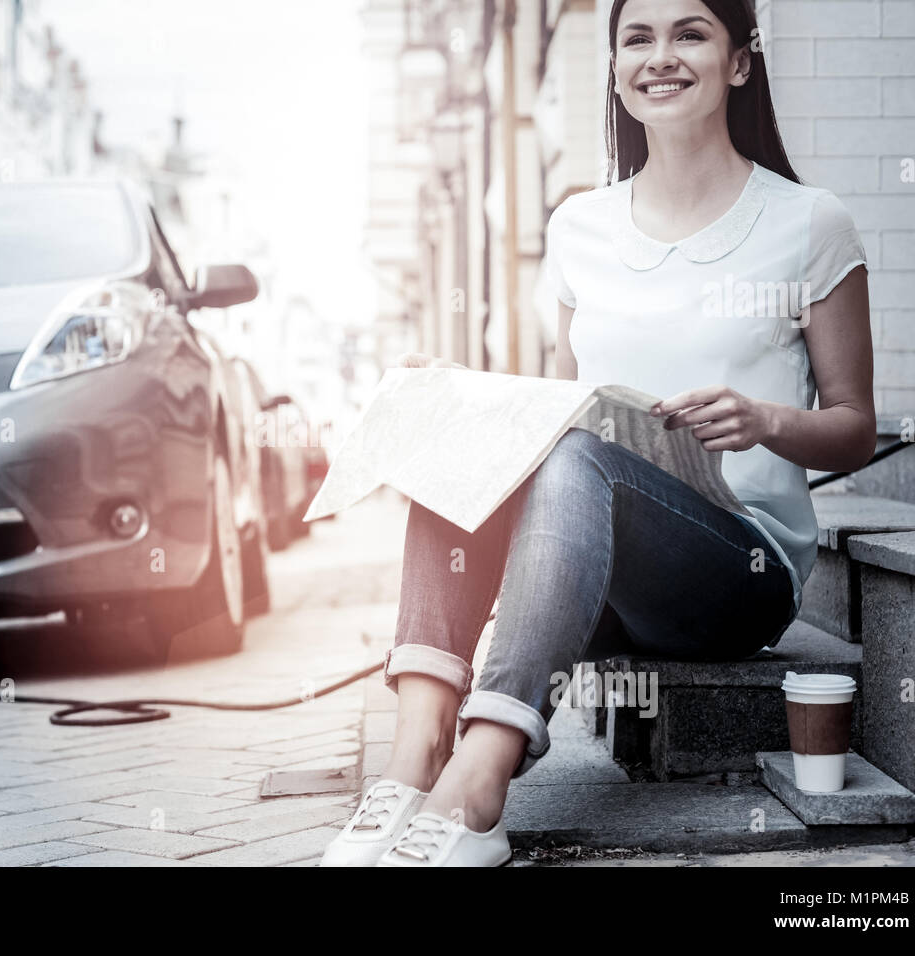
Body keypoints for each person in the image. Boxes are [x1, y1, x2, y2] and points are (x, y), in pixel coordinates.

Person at [321, 0, 874, 867]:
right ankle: (413, 754)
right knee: (469, 442)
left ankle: (479, 785)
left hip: (739, 571)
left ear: (738, 62)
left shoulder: (810, 224)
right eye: (636, 37)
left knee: (583, 457)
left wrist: (765, 421)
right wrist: (457, 395)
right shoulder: (581, 226)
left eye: (690, 32)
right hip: (601, 567)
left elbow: (854, 427)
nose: (661, 56)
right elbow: (557, 412)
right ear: (614, 67)